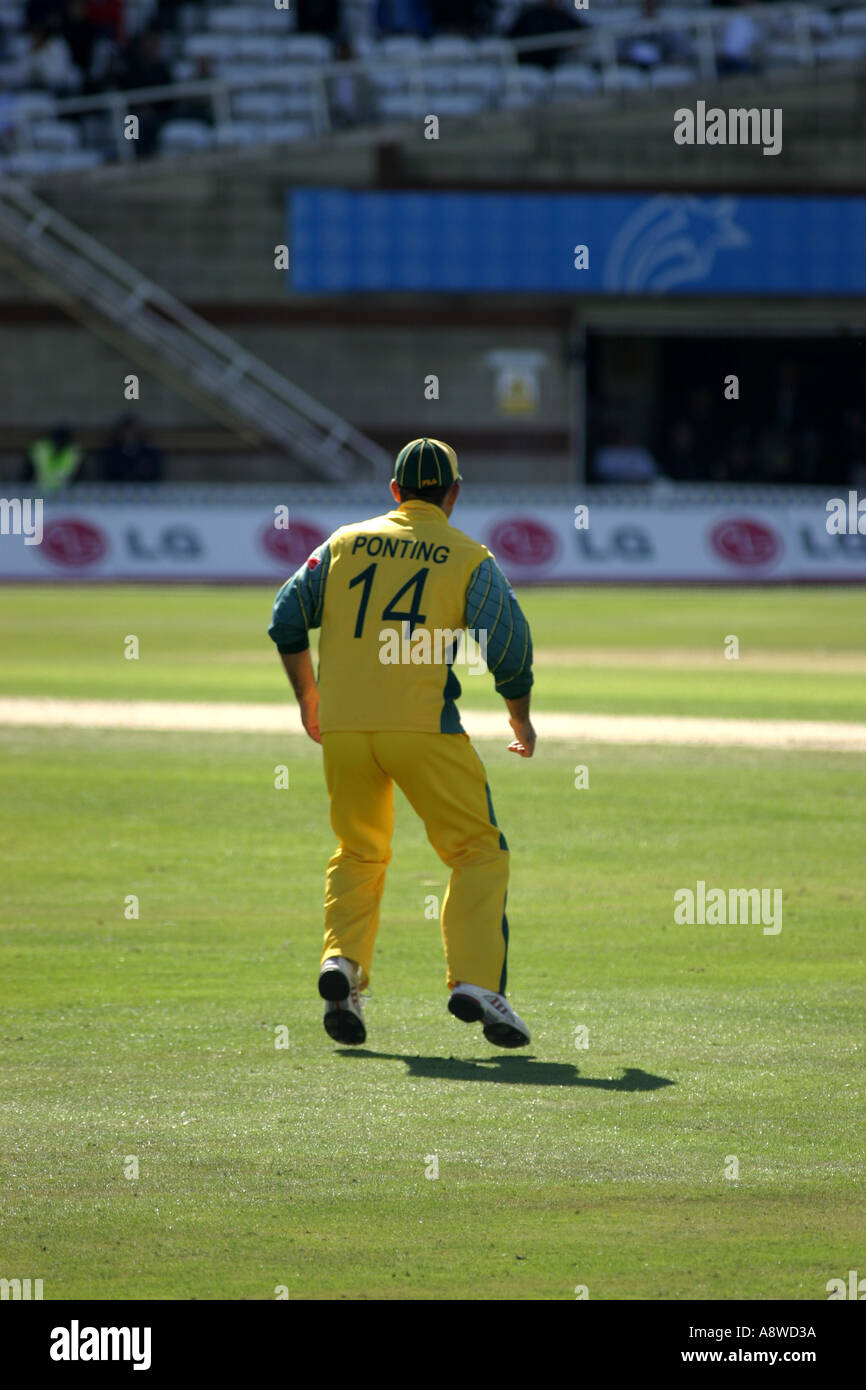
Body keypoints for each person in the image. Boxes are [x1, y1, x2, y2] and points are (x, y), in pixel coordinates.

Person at [268, 438, 535, 1050]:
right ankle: (475, 982)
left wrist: (310, 700)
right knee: (478, 852)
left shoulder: (342, 543)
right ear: (454, 495)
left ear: (393, 491)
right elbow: (509, 645)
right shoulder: (470, 556)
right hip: (423, 728)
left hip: (344, 728)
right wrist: (519, 718)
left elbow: (286, 617)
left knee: (359, 850)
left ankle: (343, 966)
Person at [506, 0, 586, 69]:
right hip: (528, 62)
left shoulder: (564, 15)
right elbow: (511, 38)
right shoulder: (529, 15)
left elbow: (584, 32)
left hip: (556, 63)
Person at [99, 414, 164, 483]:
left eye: (133, 432)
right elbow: (107, 474)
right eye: (126, 432)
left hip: (145, 490)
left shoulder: (150, 453)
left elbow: (155, 474)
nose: (129, 435)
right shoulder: (111, 453)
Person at [25, 423, 85, 490]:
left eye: (62, 440)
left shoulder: (74, 451)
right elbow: (27, 473)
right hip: (39, 492)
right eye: (58, 439)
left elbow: (80, 476)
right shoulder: (40, 448)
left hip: (67, 493)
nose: (59, 442)